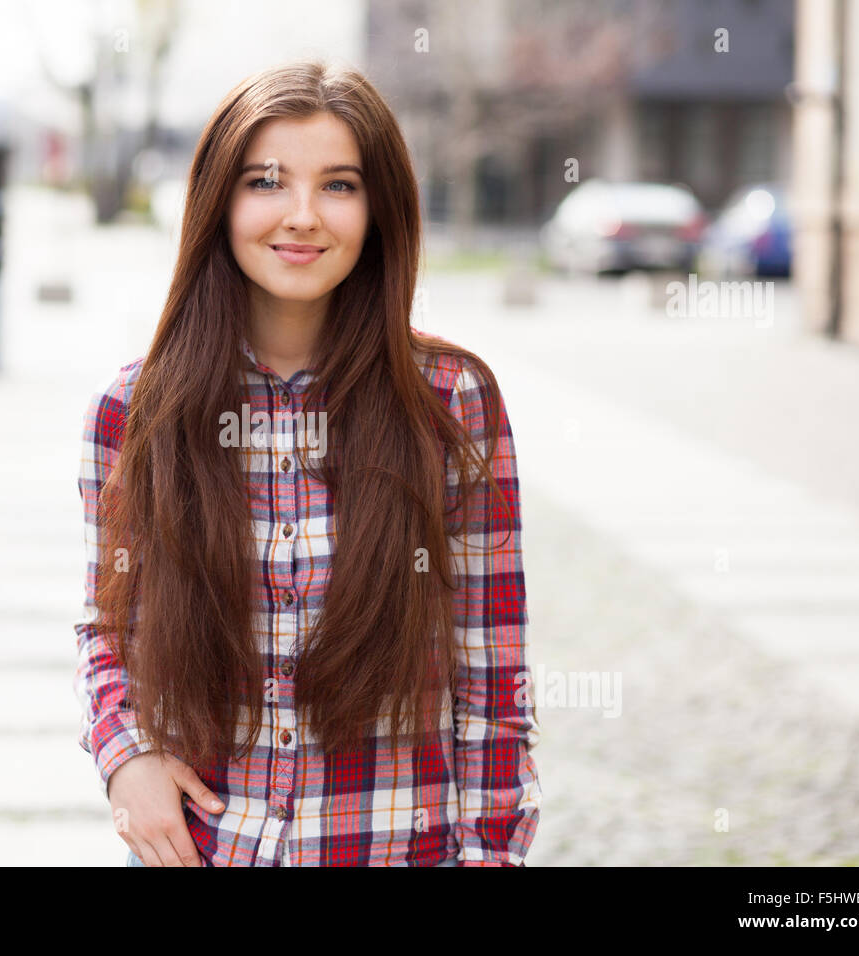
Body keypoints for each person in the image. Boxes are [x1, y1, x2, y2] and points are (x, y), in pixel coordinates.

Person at [73, 59, 541, 867]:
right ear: (218, 202)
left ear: (379, 209)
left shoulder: (450, 403)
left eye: (339, 185)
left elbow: (492, 678)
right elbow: (109, 627)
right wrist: (128, 756)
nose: (302, 216)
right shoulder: (137, 413)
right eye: (266, 182)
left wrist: (492, 857)